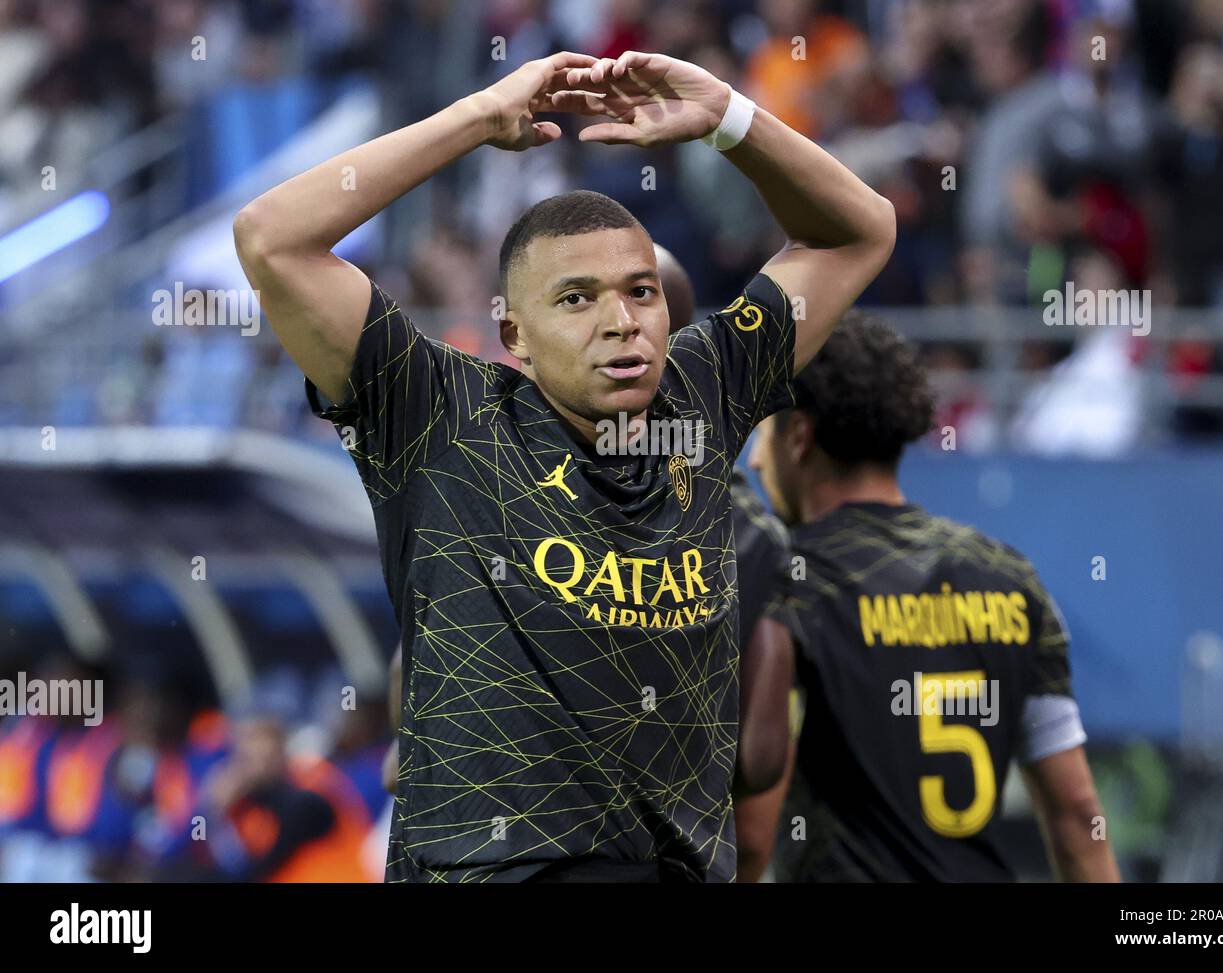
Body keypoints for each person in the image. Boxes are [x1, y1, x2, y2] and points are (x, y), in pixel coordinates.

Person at [234, 49, 895, 882]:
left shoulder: (704, 393)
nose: (621, 321)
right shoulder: (437, 414)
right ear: (514, 337)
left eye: (641, 291)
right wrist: (477, 118)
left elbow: (860, 228)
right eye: (576, 298)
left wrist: (730, 116)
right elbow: (271, 237)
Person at [747, 313, 1120, 882]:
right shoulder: (1010, 577)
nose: (754, 459)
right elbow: (1078, 814)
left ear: (799, 437)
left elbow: (752, 831)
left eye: (764, 434)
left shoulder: (785, 578)